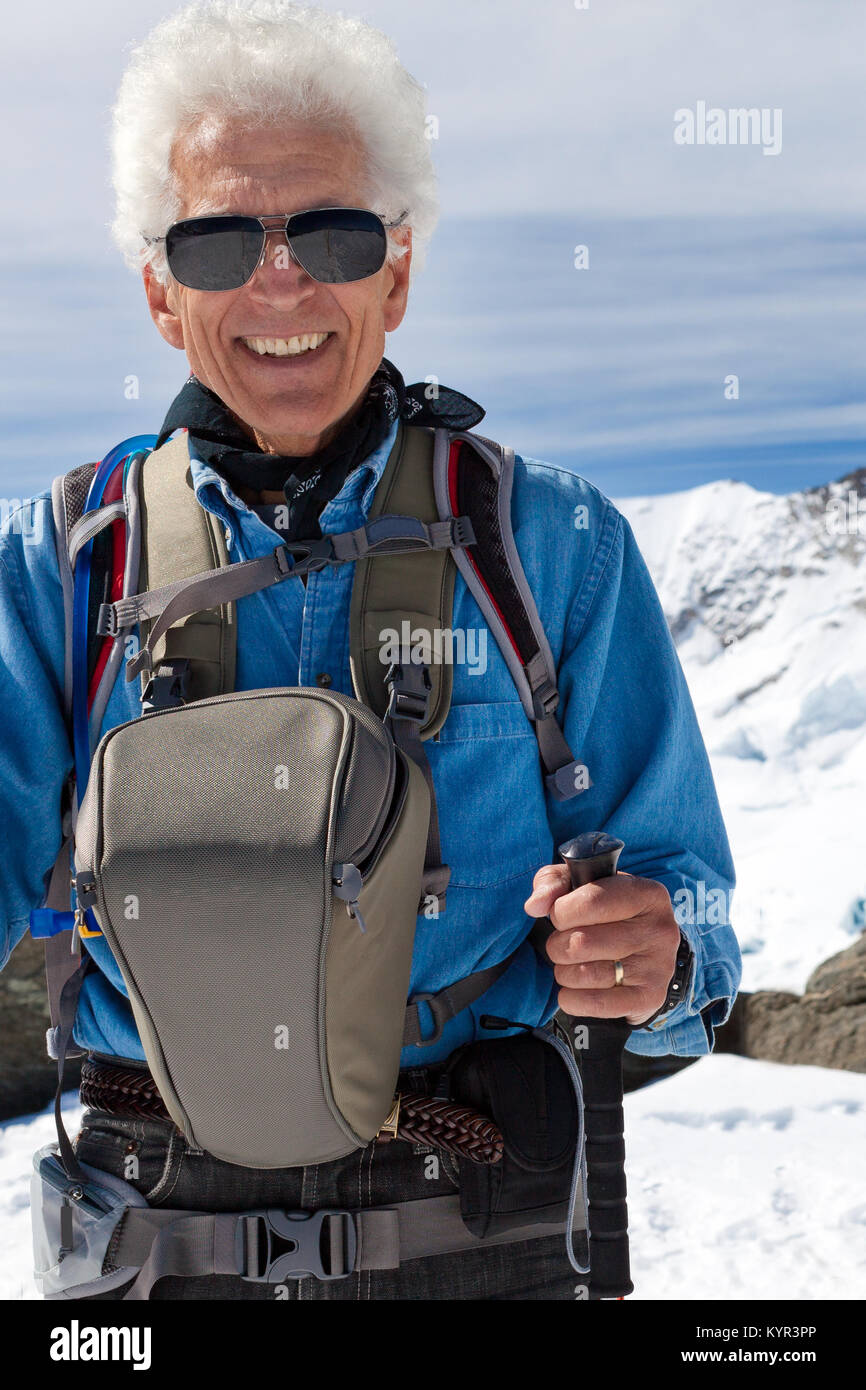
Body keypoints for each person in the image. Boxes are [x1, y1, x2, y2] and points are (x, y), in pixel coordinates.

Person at [0, 0, 740, 1301]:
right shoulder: (58, 563)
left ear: (395, 270)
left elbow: (695, 912)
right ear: (159, 291)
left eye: (329, 234)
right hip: (145, 1253)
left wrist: (657, 949)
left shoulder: (552, 543)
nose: (277, 280)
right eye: (220, 239)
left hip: (482, 1227)